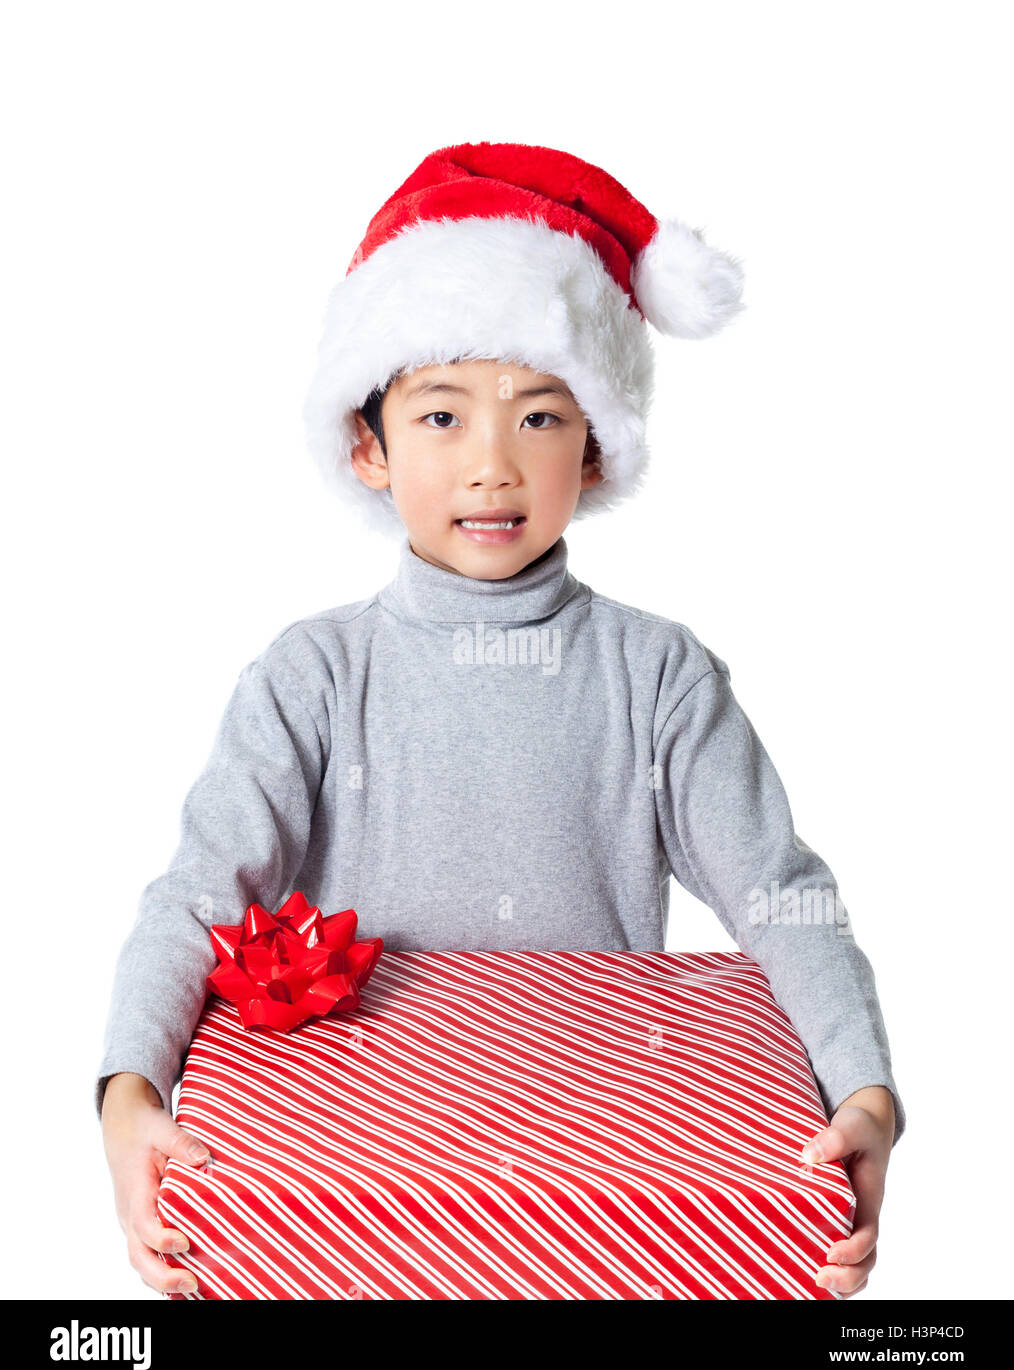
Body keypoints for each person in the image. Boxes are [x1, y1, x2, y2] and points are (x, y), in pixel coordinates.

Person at [98, 142, 904, 1301]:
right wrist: (130, 1088)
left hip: (605, 1216)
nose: (491, 466)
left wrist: (866, 1093)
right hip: (353, 1216)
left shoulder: (659, 677)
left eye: (538, 417)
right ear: (368, 446)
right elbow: (199, 892)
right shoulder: (311, 676)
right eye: (441, 415)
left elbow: (782, 896)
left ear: (597, 446)